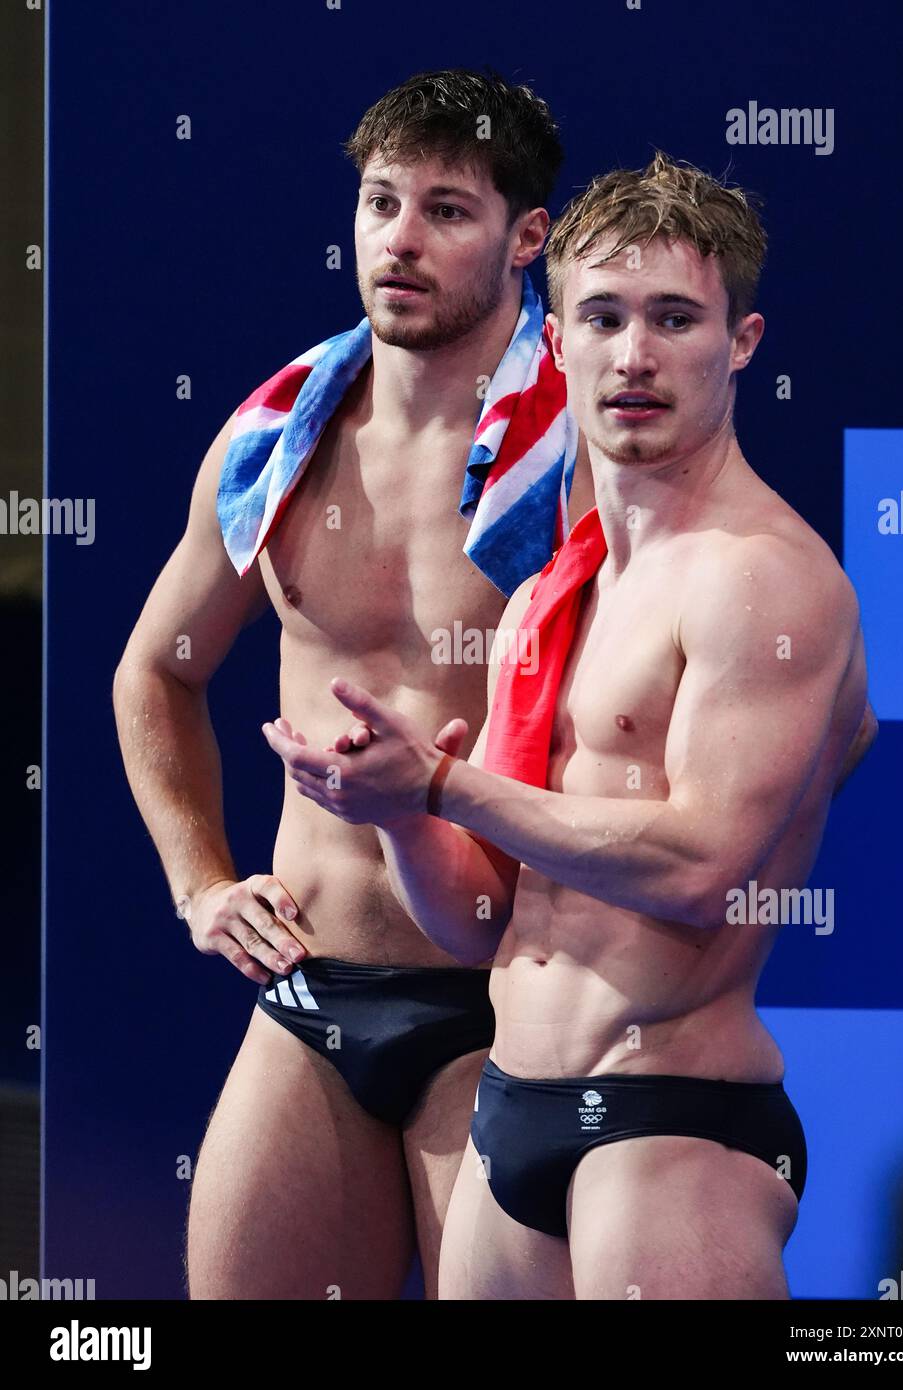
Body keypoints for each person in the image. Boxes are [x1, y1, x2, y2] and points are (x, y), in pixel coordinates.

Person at [262, 152, 878, 1299]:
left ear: (740, 343)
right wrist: (400, 813)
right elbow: (479, 918)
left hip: (671, 1129)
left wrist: (445, 789)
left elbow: (700, 869)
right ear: (556, 339)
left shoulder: (762, 581)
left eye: (674, 319)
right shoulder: (553, 589)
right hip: (512, 1116)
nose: (633, 355)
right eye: (601, 315)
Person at [113, 68, 592, 1300]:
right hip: (311, 988)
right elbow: (155, 675)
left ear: (526, 237)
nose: (400, 240)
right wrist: (199, 881)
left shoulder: (588, 450)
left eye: (446, 209)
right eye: (381, 203)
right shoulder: (273, 436)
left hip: (504, 1008)